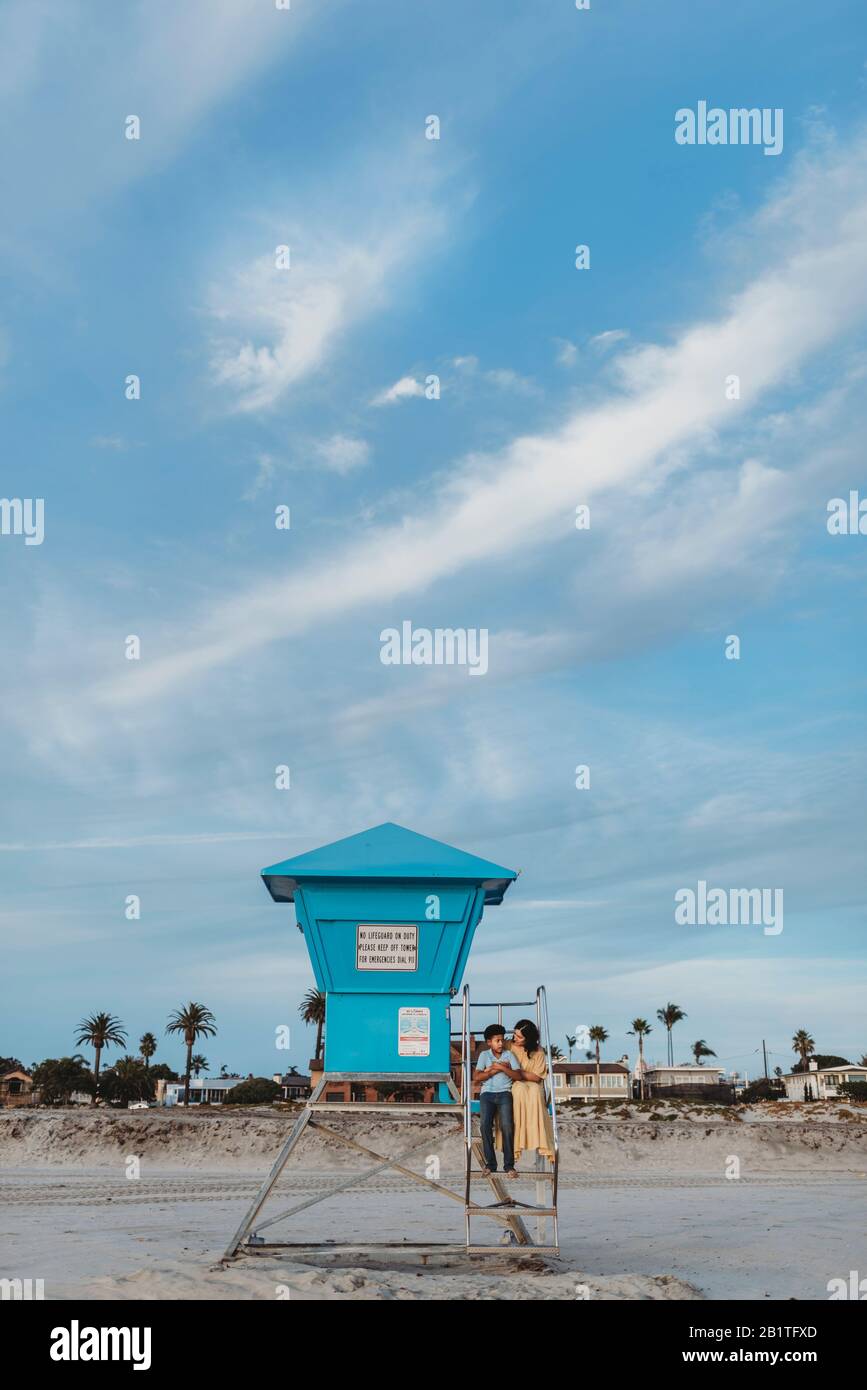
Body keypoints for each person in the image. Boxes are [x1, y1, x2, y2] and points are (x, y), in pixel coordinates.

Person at [507, 1018, 556, 1164]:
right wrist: (517, 1075)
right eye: (515, 1034)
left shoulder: (538, 1051)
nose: (516, 1038)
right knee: (519, 1089)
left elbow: (537, 1077)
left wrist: (517, 1072)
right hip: (515, 1083)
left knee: (535, 1091)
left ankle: (541, 1141)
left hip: (532, 1083)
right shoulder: (508, 1045)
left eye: (520, 1037)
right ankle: (518, 1143)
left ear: (529, 1039)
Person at [474, 1023, 518, 1178]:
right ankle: (490, 1164)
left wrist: (502, 1068)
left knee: (507, 1126)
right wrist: (493, 1070)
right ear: (489, 1042)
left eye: (502, 1040)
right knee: (485, 1125)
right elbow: (477, 1078)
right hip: (487, 1094)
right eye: (497, 1040)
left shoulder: (509, 1055)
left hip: (505, 1093)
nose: (500, 1043)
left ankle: (509, 1165)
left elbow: (518, 1075)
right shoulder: (484, 1056)